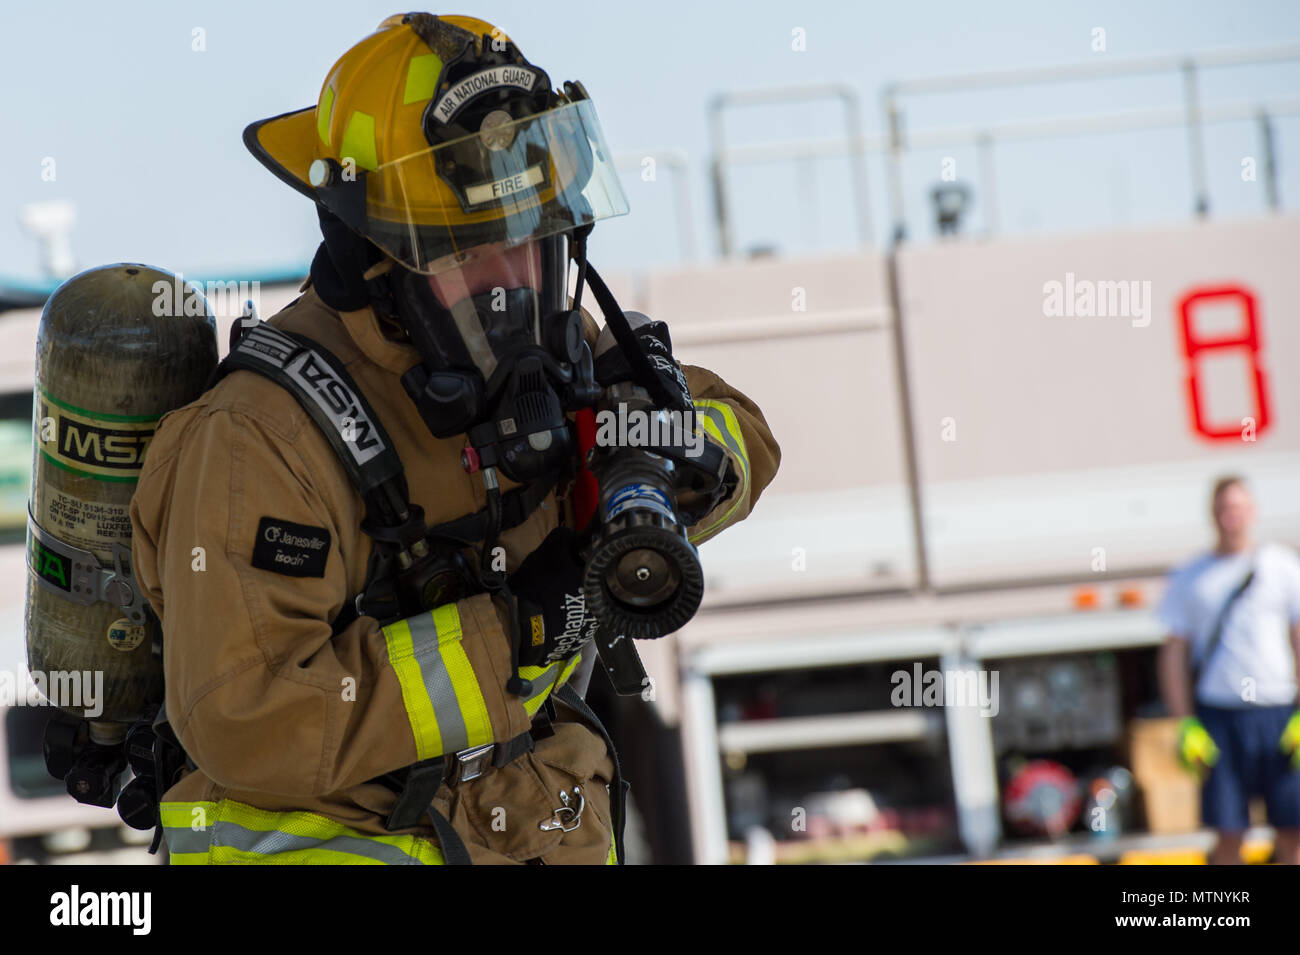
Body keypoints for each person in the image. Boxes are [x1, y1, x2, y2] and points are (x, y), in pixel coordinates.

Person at [128, 13, 780, 865]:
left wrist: (659, 466)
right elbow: (247, 713)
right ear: (374, 254)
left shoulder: (553, 345)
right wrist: (518, 634)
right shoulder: (258, 437)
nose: (510, 281)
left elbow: (743, 428)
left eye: (531, 239)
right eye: (466, 252)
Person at [1156, 475, 1300, 864]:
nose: (1231, 516)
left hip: (1278, 712)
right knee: (1228, 832)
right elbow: (1174, 654)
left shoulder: (1281, 566)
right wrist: (1184, 722)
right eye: (1223, 508)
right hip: (1219, 716)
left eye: (1238, 507)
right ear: (1212, 514)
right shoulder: (1191, 576)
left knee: (1292, 830)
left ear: (1252, 512)